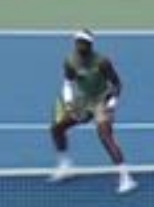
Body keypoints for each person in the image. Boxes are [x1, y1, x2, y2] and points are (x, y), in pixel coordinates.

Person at [50, 30, 136, 193]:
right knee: (57, 128)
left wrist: (112, 103)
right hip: (84, 101)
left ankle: (126, 177)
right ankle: (66, 165)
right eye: (78, 42)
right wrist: (68, 103)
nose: (80, 45)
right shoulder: (70, 61)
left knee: (104, 135)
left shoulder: (102, 62)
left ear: (90, 44)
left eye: (83, 42)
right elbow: (68, 83)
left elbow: (117, 84)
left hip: (102, 100)